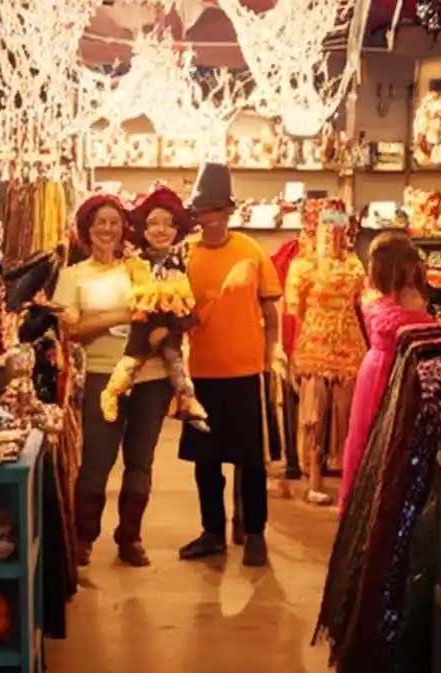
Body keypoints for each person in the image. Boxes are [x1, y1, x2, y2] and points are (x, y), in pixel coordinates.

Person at [52, 194, 172, 567]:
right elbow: (70, 330)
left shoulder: (139, 269)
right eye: (100, 222)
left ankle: (130, 536)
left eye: (115, 223)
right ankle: (84, 536)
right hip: (103, 377)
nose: (107, 229)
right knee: (97, 461)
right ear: (87, 229)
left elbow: (160, 314)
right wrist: (121, 313)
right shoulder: (73, 276)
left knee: (141, 461)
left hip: (150, 377)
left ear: (124, 229)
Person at [177, 163, 282, 567]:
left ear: (229, 210)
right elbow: (175, 309)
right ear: (197, 215)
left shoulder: (251, 252)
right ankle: (212, 532)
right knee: (206, 461)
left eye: (217, 209)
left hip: (245, 371)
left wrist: (273, 352)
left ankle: (255, 534)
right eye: (204, 210)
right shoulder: (187, 256)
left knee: (251, 459)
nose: (211, 217)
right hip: (201, 373)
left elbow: (270, 312)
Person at [337, 230, 433, 514]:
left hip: (380, 368)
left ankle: (366, 509)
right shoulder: (394, 304)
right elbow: (409, 327)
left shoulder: (378, 296)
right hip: (387, 372)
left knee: (371, 440)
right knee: (378, 440)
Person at [99, 186, 208, 431]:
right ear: (144, 229)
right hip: (139, 329)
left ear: (178, 229)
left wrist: (172, 328)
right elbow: (125, 302)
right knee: (132, 361)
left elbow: (188, 300)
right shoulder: (132, 264)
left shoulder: (183, 261)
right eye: (154, 223)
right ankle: (111, 393)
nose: (161, 230)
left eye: (169, 224)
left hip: (170, 338)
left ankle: (186, 400)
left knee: (176, 361)